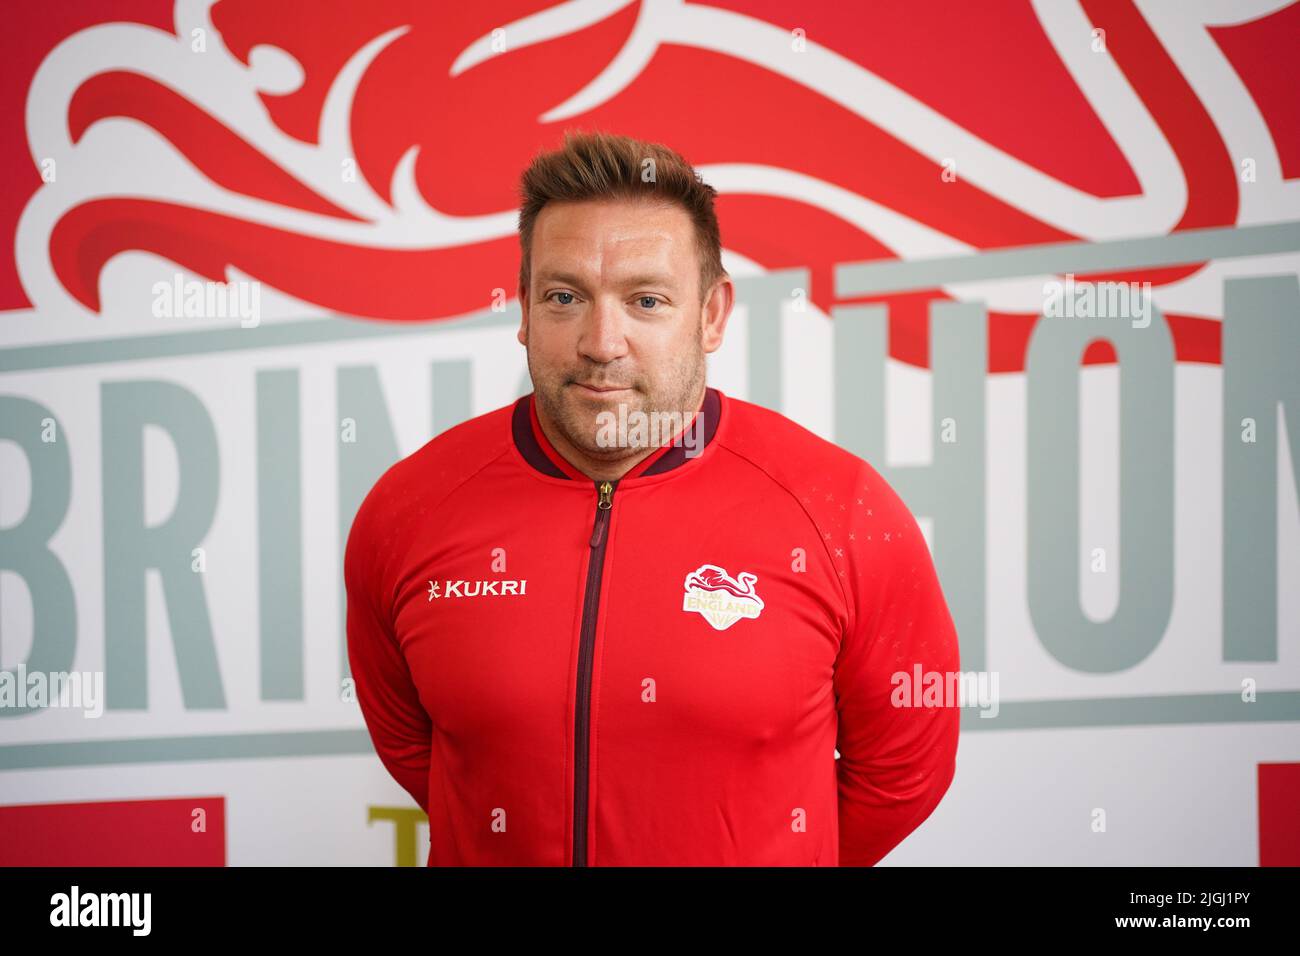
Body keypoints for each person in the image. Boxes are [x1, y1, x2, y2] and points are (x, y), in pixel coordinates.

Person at [345, 129, 961, 866]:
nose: (602, 342)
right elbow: (422, 755)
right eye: (565, 296)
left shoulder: (839, 510)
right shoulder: (409, 511)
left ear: (711, 315)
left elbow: (902, 776)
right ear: (523, 310)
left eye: (645, 300)